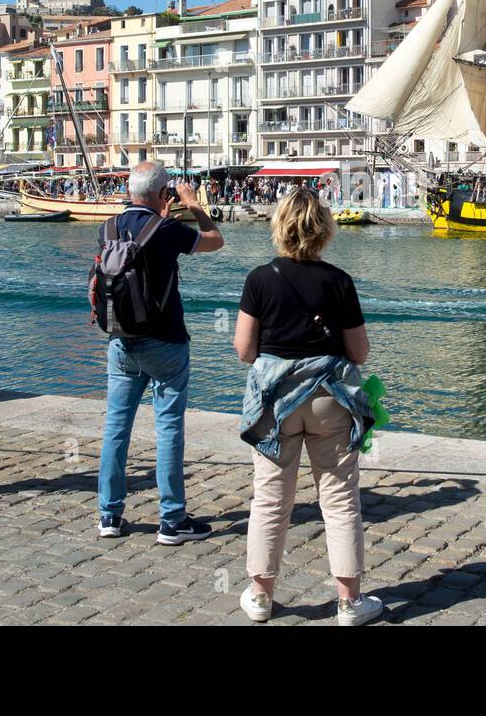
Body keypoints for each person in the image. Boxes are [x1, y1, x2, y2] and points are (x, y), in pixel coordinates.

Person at [234, 189, 380, 626]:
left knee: (270, 501)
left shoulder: (260, 278)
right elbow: (359, 352)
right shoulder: (339, 281)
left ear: (279, 226)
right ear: (324, 230)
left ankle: (261, 596)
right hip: (328, 402)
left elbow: (244, 349)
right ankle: (349, 603)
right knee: (339, 501)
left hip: (275, 405)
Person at [96, 161, 224, 541]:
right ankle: (172, 520)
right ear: (162, 193)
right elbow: (215, 239)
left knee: (116, 429)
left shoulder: (107, 228)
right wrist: (195, 204)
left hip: (119, 340)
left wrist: (162, 215)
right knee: (168, 427)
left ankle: (109, 516)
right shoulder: (167, 229)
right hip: (165, 342)